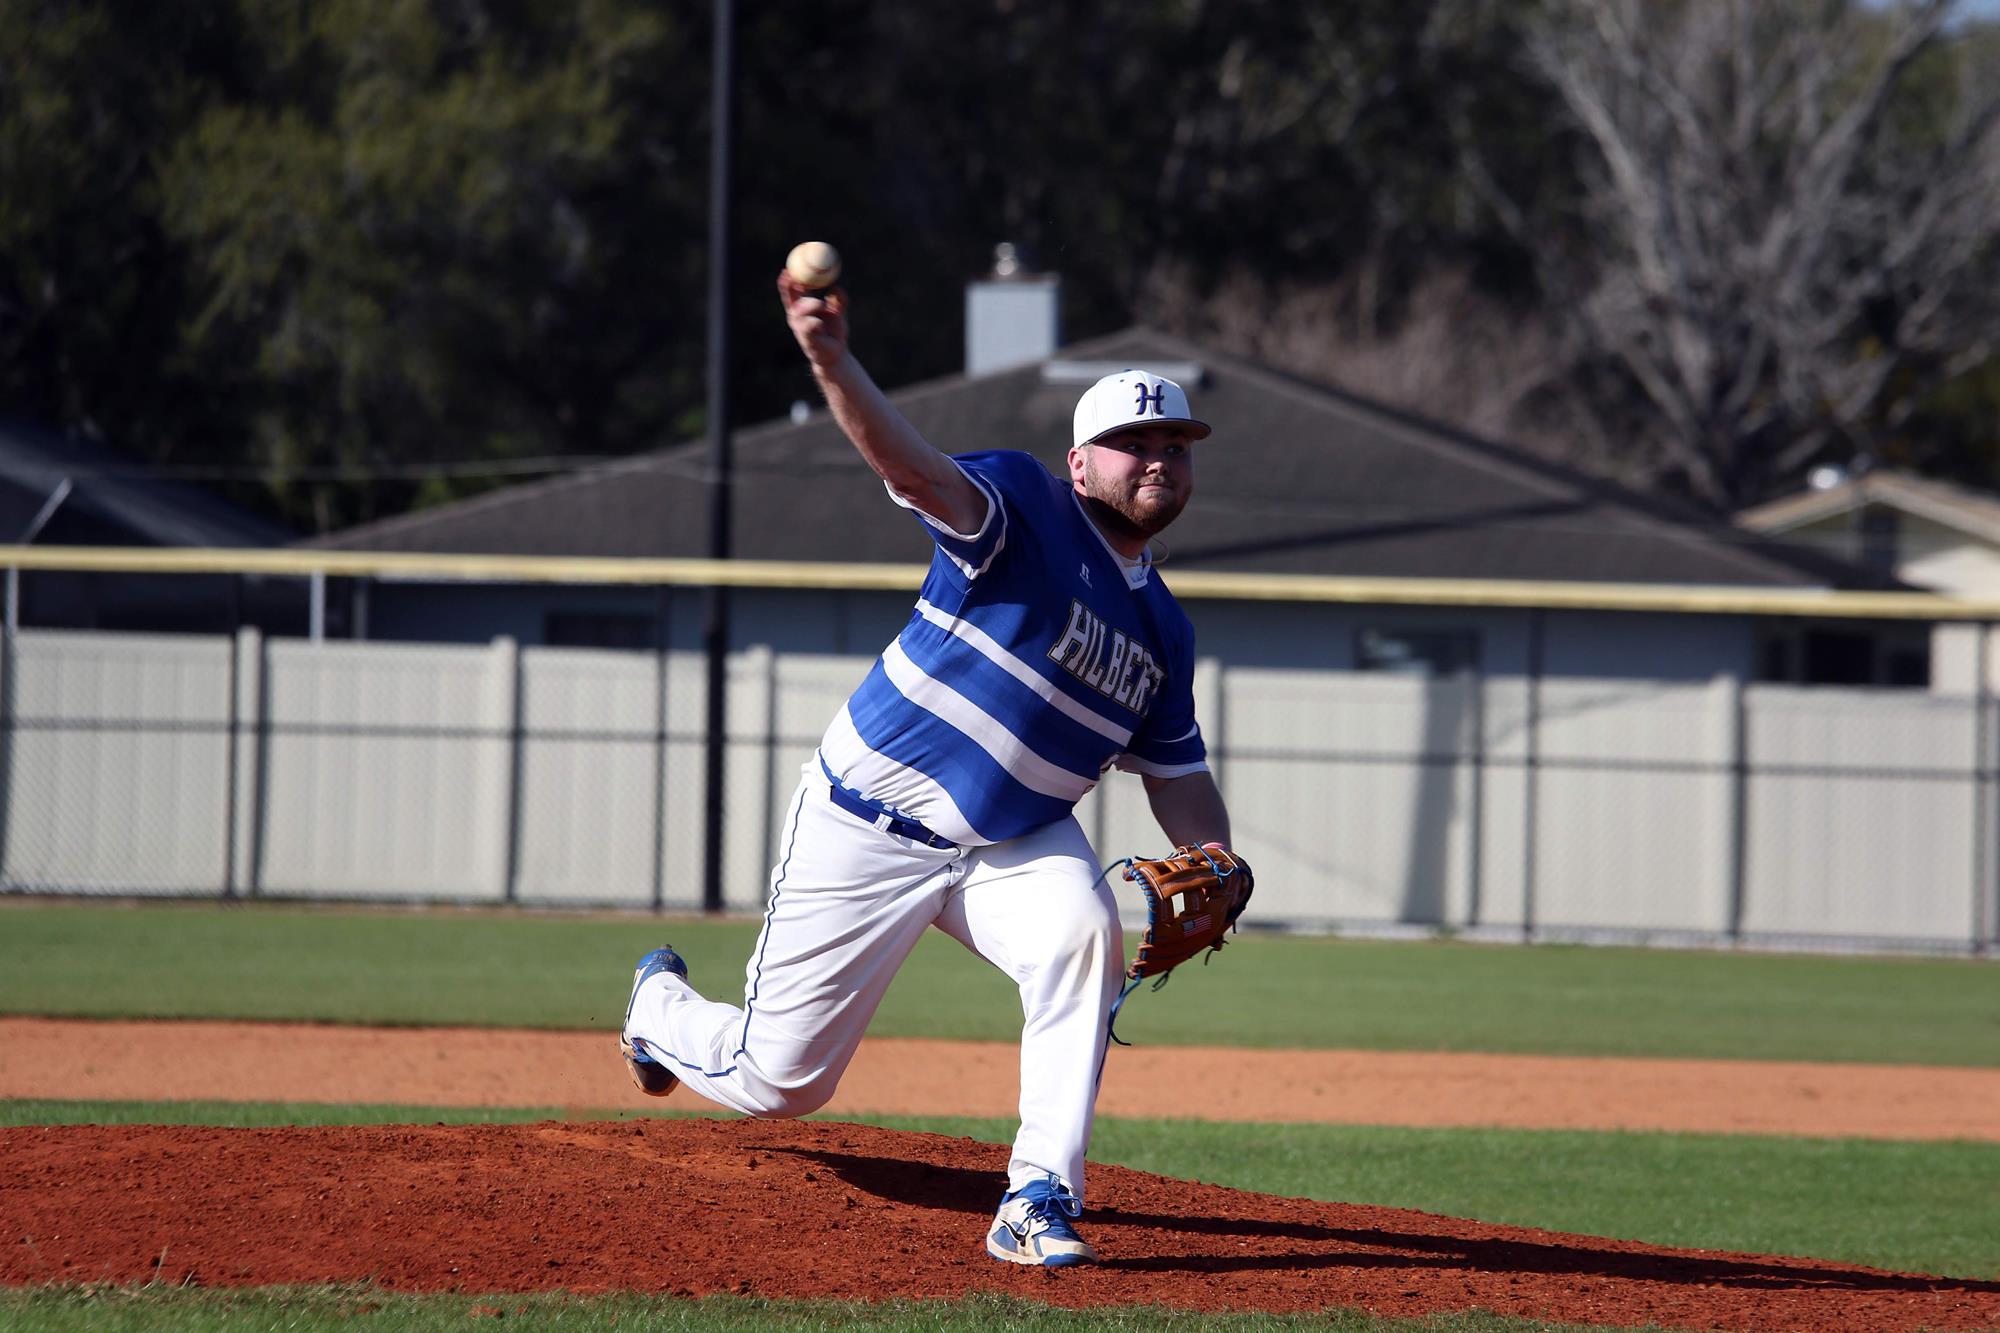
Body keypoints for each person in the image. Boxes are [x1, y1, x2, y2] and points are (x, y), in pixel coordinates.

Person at [618, 269, 1243, 1268]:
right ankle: (658, 1010)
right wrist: (831, 362)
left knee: (1083, 929)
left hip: (1007, 842)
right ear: (1081, 463)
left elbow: (1175, 771)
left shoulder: (1163, 629)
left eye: (1175, 444)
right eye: (1134, 442)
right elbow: (908, 467)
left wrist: (1219, 857)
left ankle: (1035, 1198)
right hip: (869, 819)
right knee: (780, 1082)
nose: (1159, 457)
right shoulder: (1022, 509)